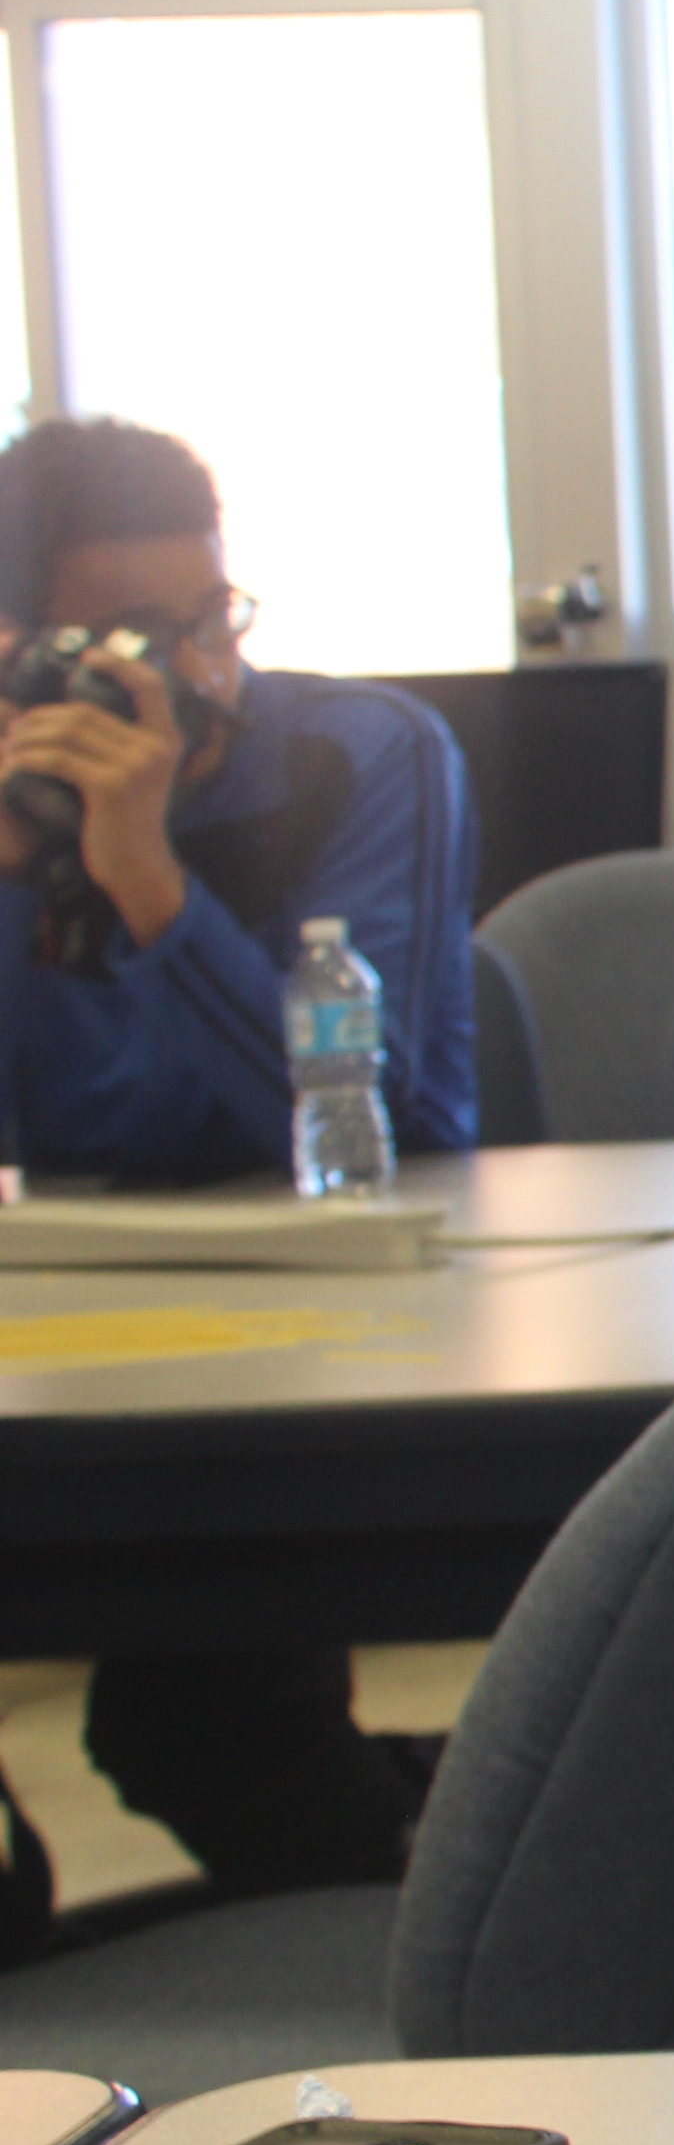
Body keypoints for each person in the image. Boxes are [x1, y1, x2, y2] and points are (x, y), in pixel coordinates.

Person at [0, 418, 483, 1951]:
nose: (193, 672)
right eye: (128, 639)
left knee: (197, 1723)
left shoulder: (359, 753)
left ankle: (455, 1937)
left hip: (343, 1337)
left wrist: (150, 878)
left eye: (209, 620)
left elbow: (368, 1124)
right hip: (72, 1334)